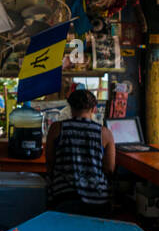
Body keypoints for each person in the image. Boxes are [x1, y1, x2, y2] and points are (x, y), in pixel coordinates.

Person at [44, 88, 115, 217]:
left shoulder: (57, 128)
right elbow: (109, 169)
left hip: (64, 197)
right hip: (98, 200)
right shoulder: (104, 133)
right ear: (94, 109)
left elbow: (50, 163)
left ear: (70, 107)